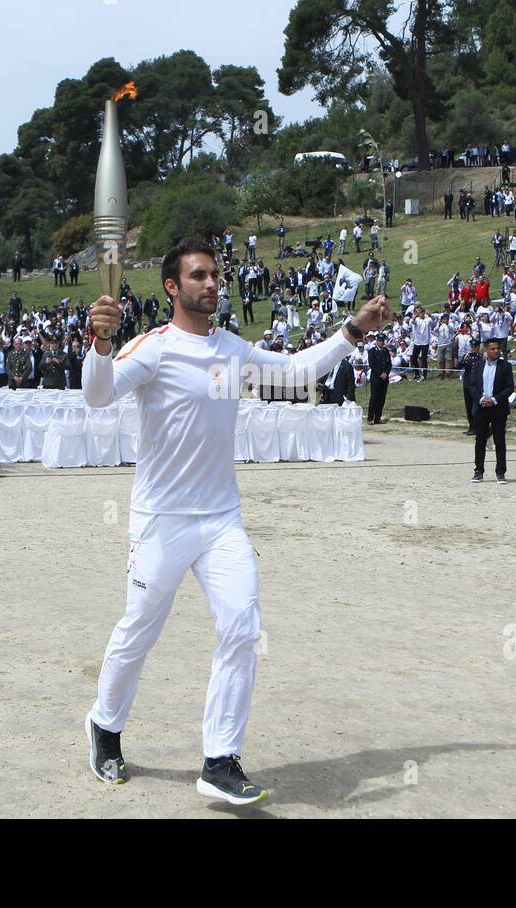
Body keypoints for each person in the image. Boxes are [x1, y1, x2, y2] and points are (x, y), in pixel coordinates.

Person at [80, 237, 389, 806]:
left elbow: (296, 373)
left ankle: (220, 759)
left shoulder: (231, 349)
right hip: (162, 522)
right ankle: (104, 724)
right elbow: (98, 396)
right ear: (172, 287)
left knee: (242, 626)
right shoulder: (153, 348)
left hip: (222, 519)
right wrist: (101, 344)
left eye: (215, 275)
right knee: (140, 629)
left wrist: (352, 331)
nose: (212, 283)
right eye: (199, 276)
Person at [466, 338, 514, 483]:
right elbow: (472, 386)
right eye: (493, 349)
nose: (496, 351)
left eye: (498, 348)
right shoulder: (478, 365)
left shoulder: (505, 366)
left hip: (498, 408)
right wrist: (480, 399)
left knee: (499, 441)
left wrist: (494, 399)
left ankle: (500, 472)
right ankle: (478, 471)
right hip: (481, 408)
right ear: (486, 350)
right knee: (480, 440)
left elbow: (509, 387)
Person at [366, 332, 391, 424]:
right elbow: (372, 365)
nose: (381, 342)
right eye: (380, 340)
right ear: (376, 340)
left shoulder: (385, 351)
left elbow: (389, 364)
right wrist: (380, 374)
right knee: (374, 398)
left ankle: (378, 417)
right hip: (376, 378)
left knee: (382, 398)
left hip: (384, 378)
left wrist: (386, 373)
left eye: (382, 340)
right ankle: (370, 418)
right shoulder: (372, 351)